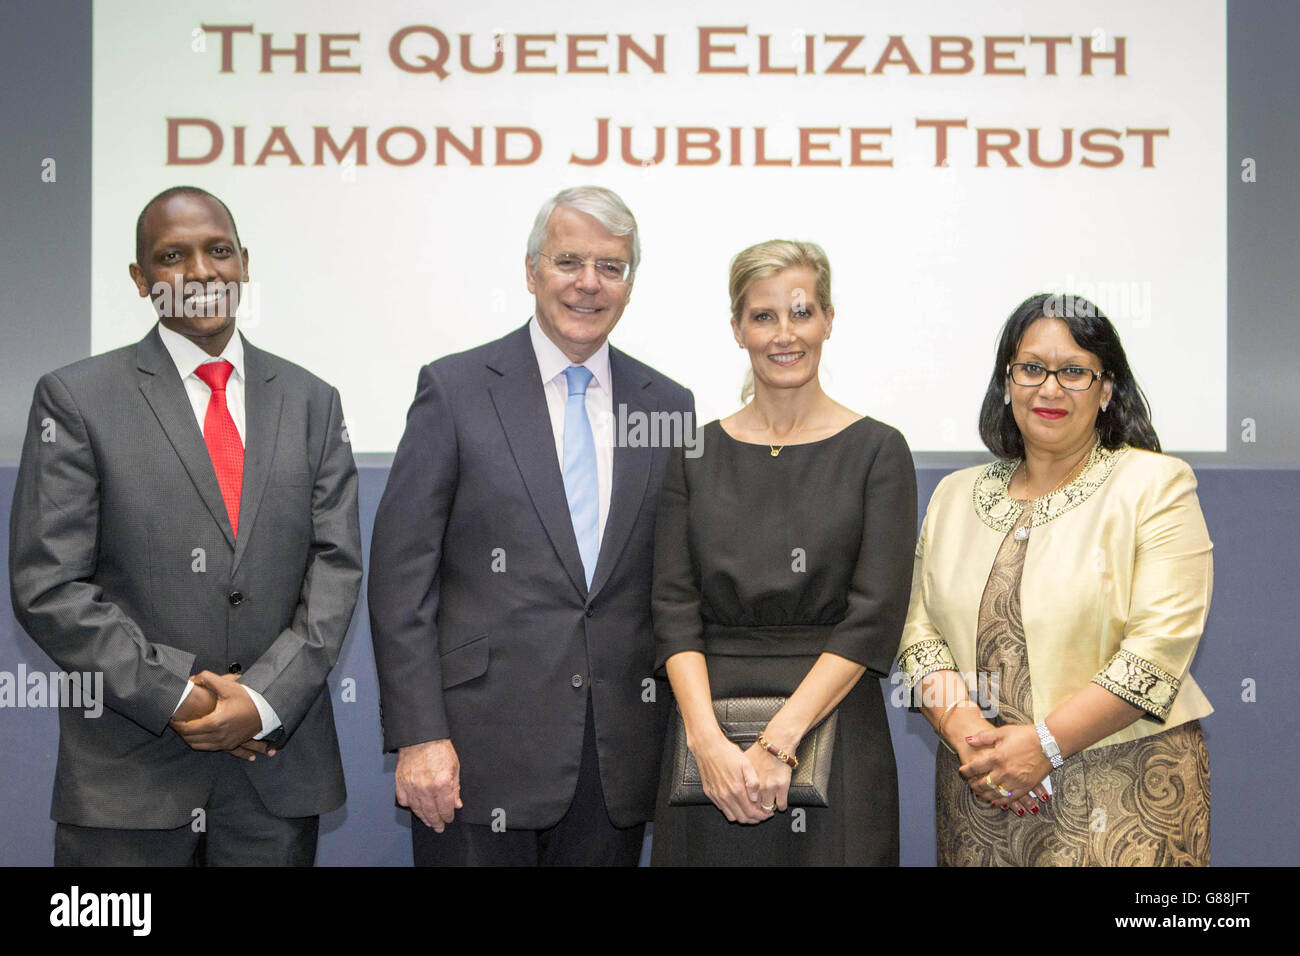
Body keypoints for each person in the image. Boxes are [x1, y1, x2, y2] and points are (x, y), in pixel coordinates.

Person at [9, 186, 362, 866]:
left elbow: (335, 570)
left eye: (217, 250)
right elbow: (48, 587)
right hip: (128, 785)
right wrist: (181, 697)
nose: (199, 271)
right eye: (172, 256)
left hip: (272, 781)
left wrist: (261, 701)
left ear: (244, 263)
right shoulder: (76, 398)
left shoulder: (314, 401)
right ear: (142, 280)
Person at [368, 185, 694, 866]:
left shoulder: (668, 404)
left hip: (614, 763)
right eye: (569, 261)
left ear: (630, 283)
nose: (588, 284)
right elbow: (403, 581)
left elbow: (674, 583)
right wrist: (419, 736)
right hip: (472, 756)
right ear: (531, 270)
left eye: (611, 267)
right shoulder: (455, 389)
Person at [896, 292, 1213, 866]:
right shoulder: (953, 496)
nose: (1049, 388)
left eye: (1073, 371)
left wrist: (1043, 745)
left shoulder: (1156, 485)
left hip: (1122, 790)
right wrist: (975, 743)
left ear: (1107, 387)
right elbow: (919, 636)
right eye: (1031, 369)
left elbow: (1157, 650)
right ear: (1007, 381)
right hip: (983, 793)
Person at [650, 239, 916, 865]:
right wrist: (707, 743)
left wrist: (778, 743)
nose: (784, 334)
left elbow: (874, 615)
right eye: (763, 316)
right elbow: (672, 607)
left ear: (827, 319)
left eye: (801, 312)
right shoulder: (693, 453)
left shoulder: (878, 451)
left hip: (836, 730)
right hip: (707, 748)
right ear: (738, 329)